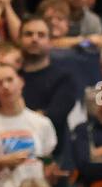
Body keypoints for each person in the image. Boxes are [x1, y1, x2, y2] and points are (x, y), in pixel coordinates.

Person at [18, 14, 80, 147]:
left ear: (50, 42)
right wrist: (39, 113)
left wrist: (16, 118)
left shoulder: (64, 78)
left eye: (41, 35)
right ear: (19, 40)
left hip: (51, 153)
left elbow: (54, 117)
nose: (34, 39)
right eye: (28, 34)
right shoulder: (12, 76)